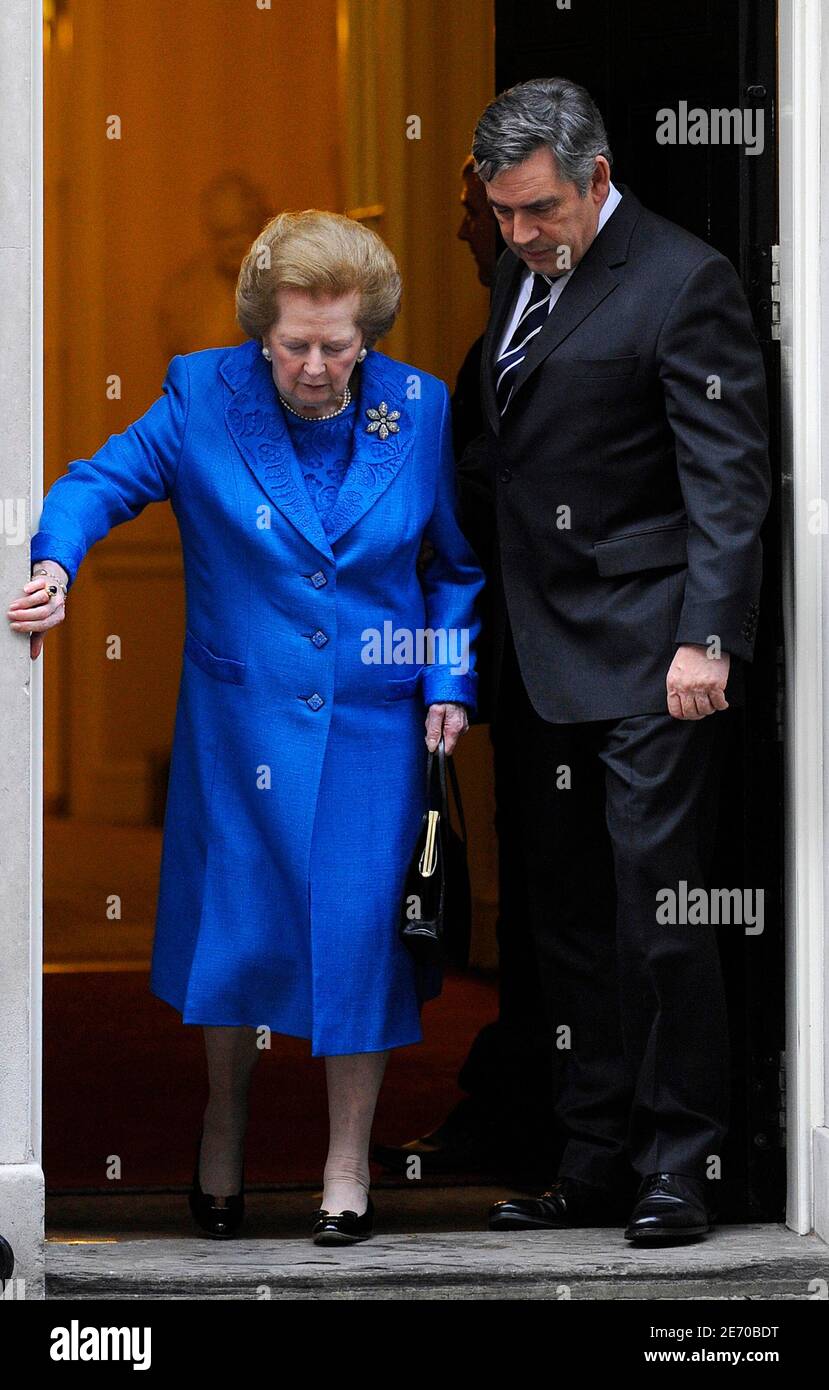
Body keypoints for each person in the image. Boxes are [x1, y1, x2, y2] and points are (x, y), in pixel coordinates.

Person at [10, 210, 484, 1245]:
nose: (316, 367)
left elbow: (451, 565)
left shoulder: (421, 407)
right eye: (295, 344)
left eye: (338, 345)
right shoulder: (202, 393)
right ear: (261, 329)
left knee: (359, 938)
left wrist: (446, 673)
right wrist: (55, 560)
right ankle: (224, 1126)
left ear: (370, 334)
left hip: (371, 727)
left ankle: (346, 1168)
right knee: (241, 930)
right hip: (242, 722)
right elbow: (102, 482)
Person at [461, 77, 771, 1243]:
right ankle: (589, 1158)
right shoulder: (515, 272)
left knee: (659, 915)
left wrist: (708, 636)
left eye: (538, 209)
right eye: (502, 213)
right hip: (541, 653)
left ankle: (677, 1165)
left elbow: (726, 477)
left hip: (652, 654)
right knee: (569, 925)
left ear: (596, 178)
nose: (520, 234)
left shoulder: (684, 280)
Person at [373, 156, 560, 1185]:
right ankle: (521, 1100)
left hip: (573, 660)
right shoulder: (494, 347)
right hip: (508, 667)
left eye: (469, 215)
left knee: (561, 902)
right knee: (530, 887)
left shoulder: (543, 339)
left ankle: (554, 1116)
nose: (461, 234)